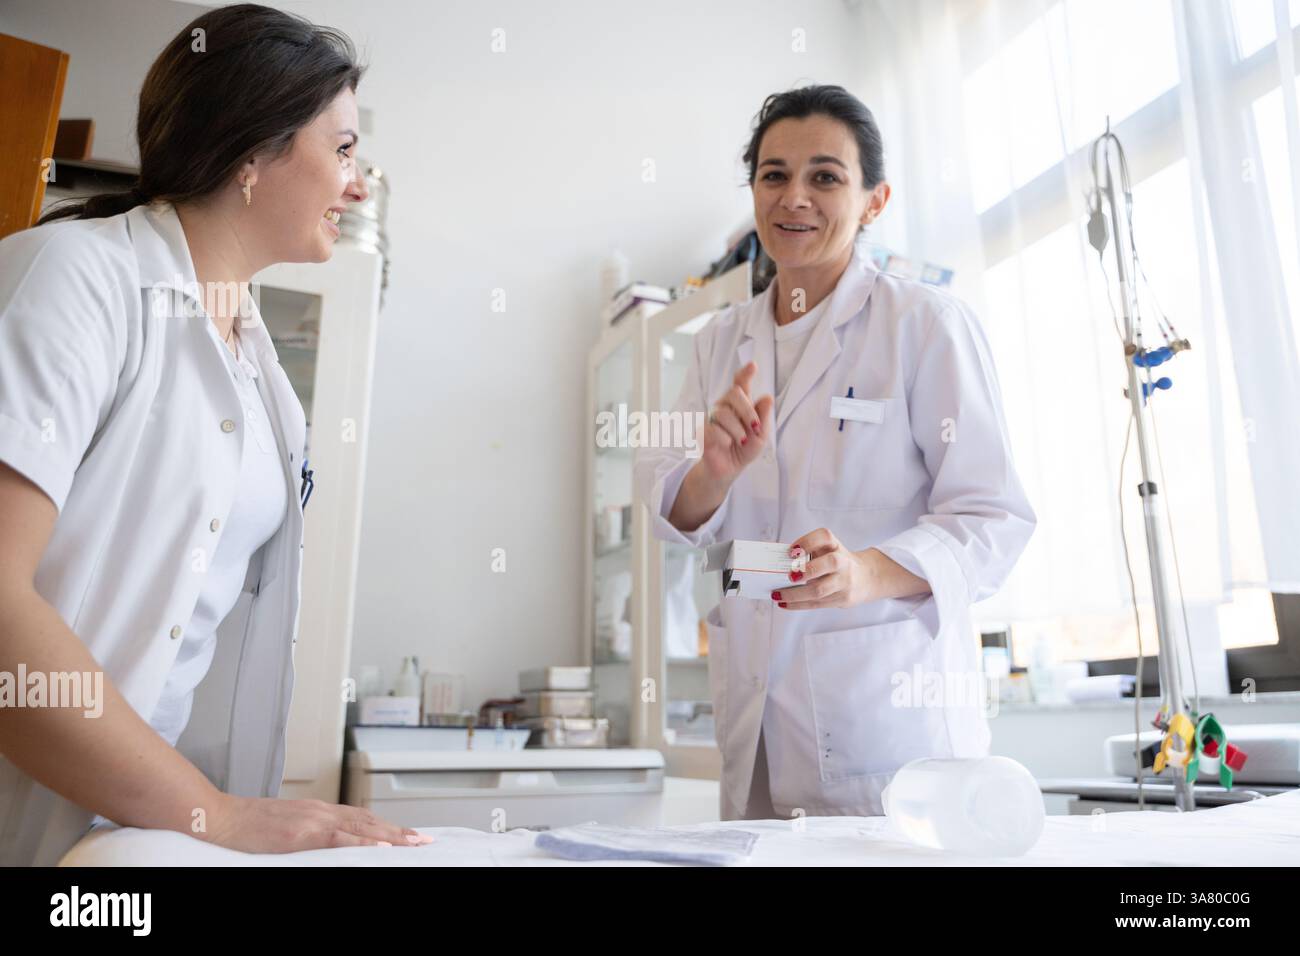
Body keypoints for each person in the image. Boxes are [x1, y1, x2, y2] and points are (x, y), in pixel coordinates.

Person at [0, 3, 425, 864]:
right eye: (343, 149)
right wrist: (209, 814)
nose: (360, 182)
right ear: (251, 156)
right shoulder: (74, 278)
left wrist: (212, 816)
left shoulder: (262, 373)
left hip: (138, 828)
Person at [635, 85, 1036, 821]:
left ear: (874, 201)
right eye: (773, 174)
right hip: (753, 720)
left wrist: (865, 574)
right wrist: (712, 475)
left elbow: (993, 517)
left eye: (825, 176)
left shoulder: (925, 325)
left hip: (887, 733)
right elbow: (667, 505)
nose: (795, 198)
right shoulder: (718, 342)